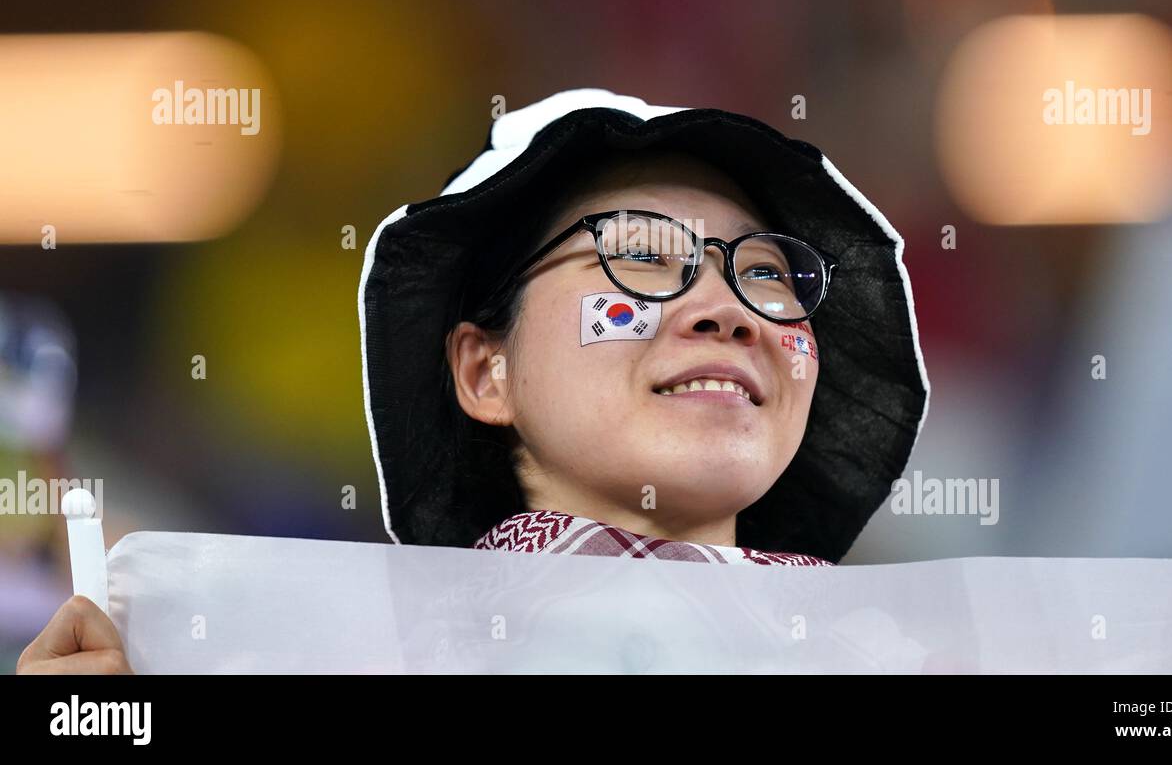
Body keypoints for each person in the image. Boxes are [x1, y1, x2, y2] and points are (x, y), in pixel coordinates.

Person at [18, 88, 928, 672]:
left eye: (767, 274)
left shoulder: (916, 661)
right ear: (485, 371)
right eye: (641, 258)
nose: (728, 307)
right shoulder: (324, 663)